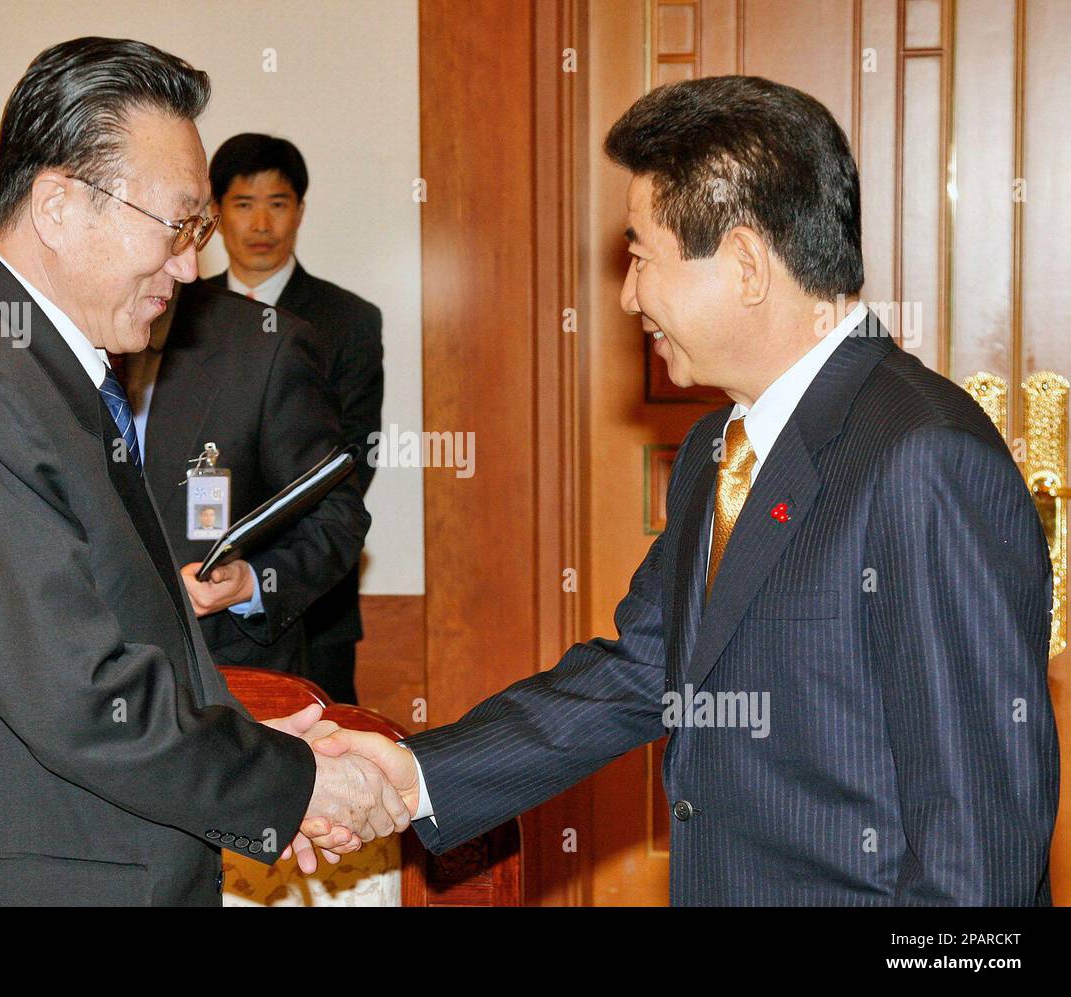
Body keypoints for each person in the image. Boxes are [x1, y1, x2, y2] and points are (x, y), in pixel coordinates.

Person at [313, 75, 1060, 906]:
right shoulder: (720, 447)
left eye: (639, 256)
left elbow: (980, 858)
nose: (629, 296)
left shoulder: (922, 457)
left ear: (744, 263)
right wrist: (417, 772)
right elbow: (642, 670)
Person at [0, 36, 404, 907]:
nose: (190, 265)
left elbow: (111, 638)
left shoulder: (28, 360)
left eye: (197, 230)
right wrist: (294, 784)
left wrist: (245, 738)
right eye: (176, 226)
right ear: (60, 206)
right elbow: (80, 698)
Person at [205, 133, 383, 703]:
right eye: (243, 204)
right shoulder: (179, 315)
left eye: (277, 204)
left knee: (325, 759)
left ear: (299, 211)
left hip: (313, 598)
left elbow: (352, 458)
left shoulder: (349, 319)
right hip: (197, 592)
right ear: (214, 212)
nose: (261, 223)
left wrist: (256, 559)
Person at [129, 258, 369, 678]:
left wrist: (250, 583)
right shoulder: (46, 337)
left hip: (226, 679)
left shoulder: (265, 343)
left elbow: (336, 518)